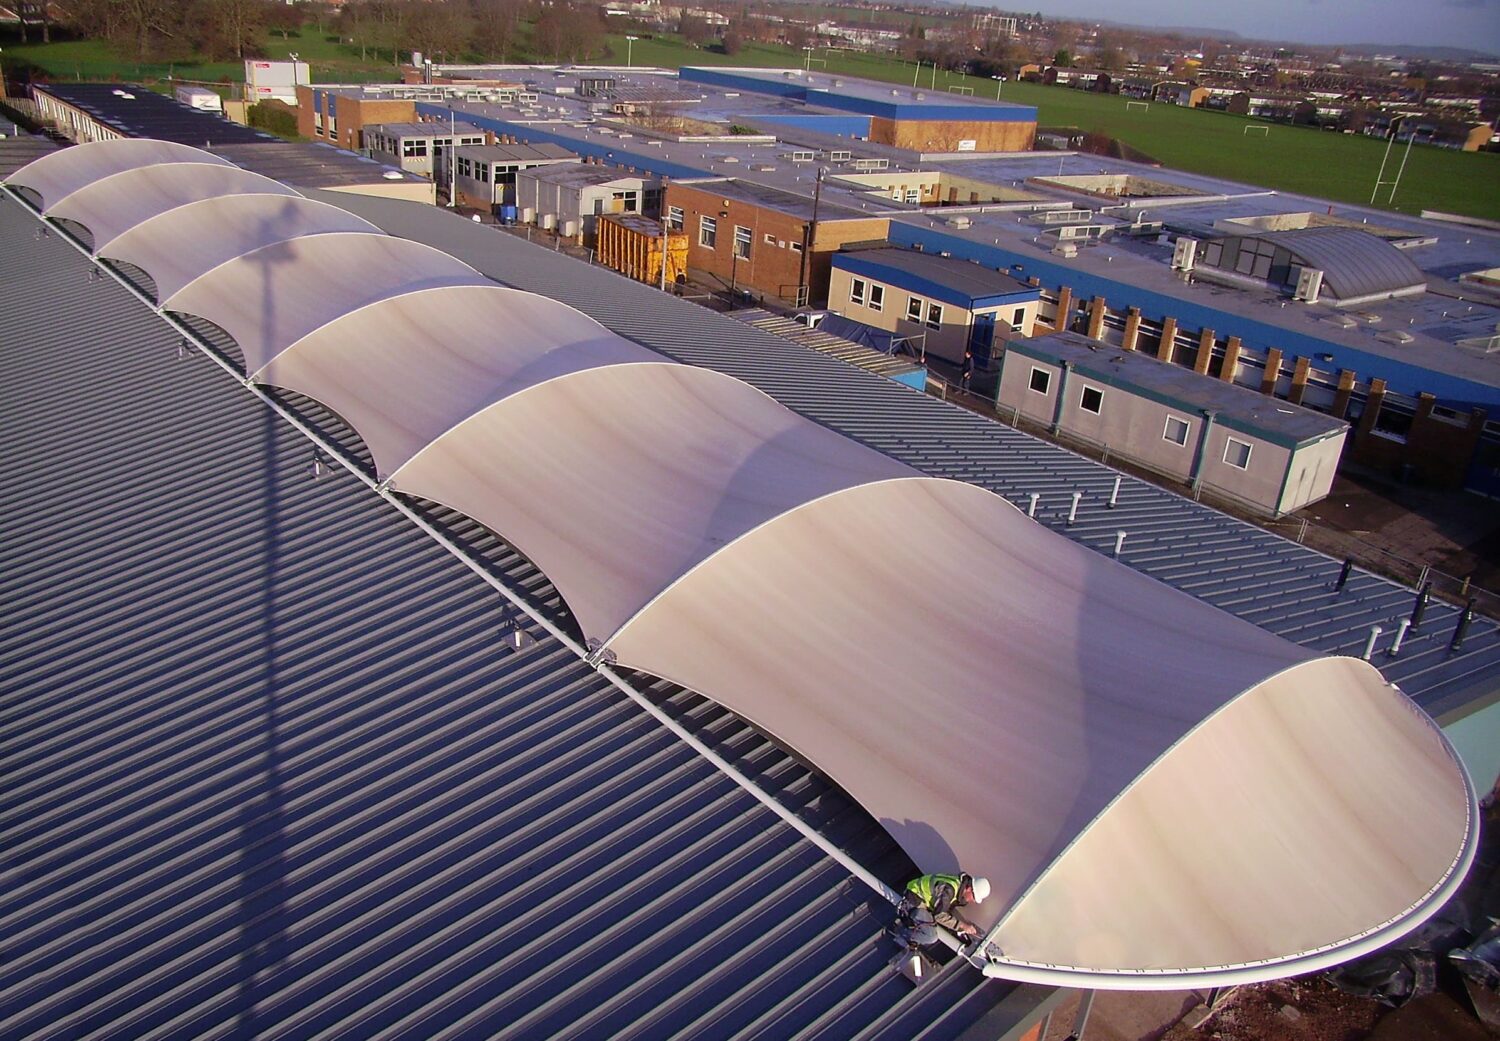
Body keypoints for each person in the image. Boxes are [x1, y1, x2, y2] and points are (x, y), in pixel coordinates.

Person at [896, 872, 991, 948]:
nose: (973, 901)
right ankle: (901, 933)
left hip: (921, 901)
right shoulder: (949, 889)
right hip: (913, 901)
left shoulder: (958, 886)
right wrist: (962, 926)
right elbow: (939, 915)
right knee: (931, 937)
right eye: (974, 897)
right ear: (969, 889)